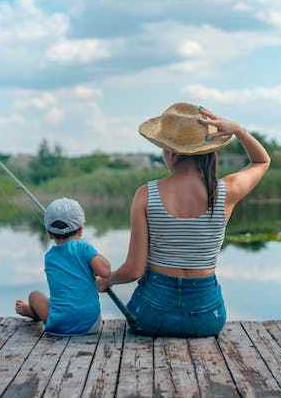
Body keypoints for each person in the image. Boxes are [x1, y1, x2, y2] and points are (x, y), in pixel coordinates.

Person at [97, 102, 271, 337]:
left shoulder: (146, 194)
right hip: (207, 318)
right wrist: (239, 130)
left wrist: (109, 280)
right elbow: (262, 161)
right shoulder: (227, 191)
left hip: (151, 315)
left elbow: (134, 270)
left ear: (171, 152)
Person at [15, 197, 111, 335]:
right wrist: (93, 255)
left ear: (49, 233)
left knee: (34, 296)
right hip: (90, 325)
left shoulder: (49, 257)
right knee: (57, 304)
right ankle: (33, 312)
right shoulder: (84, 248)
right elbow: (106, 271)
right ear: (81, 230)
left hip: (59, 326)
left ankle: (31, 311)